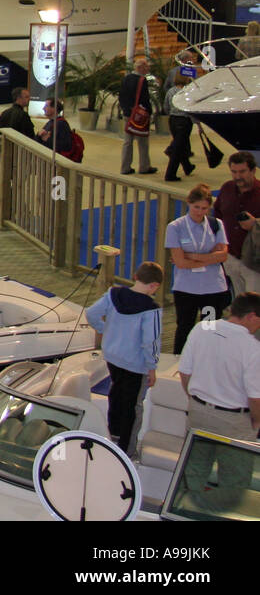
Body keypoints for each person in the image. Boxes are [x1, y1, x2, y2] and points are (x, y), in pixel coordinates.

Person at [178, 291, 260, 506]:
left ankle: (185, 513)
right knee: (235, 483)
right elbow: (255, 396)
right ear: (251, 316)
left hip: (198, 413)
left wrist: (196, 400)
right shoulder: (253, 348)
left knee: (192, 474)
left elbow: (185, 372)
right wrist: (257, 421)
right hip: (234, 421)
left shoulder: (202, 328)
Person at [86, 261, 163, 455]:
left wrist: (106, 330)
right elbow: (150, 342)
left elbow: (91, 313)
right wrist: (152, 367)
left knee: (116, 393)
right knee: (132, 406)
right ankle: (127, 451)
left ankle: (113, 435)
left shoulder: (113, 294)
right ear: (155, 286)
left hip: (113, 357)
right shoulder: (151, 308)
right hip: (135, 364)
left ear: (135, 277)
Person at [167, 183, 232, 354]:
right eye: (196, 207)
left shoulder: (216, 224)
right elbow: (180, 263)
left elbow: (223, 256)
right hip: (186, 288)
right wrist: (210, 258)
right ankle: (179, 361)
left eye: (204, 208)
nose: (199, 211)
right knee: (185, 327)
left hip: (213, 289)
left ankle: (209, 361)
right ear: (188, 203)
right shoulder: (176, 227)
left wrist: (192, 256)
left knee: (210, 329)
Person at [214, 151, 260, 297]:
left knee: (254, 306)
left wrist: (255, 223)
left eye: (242, 171)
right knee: (238, 303)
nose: (238, 176)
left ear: (253, 170)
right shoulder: (227, 188)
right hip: (231, 257)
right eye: (234, 172)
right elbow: (218, 216)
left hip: (254, 262)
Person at [119, 56, 155, 175]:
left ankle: (125, 167)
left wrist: (126, 109)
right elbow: (145, 99)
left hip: (128, 114)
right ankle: (144, 166)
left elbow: (121, 96)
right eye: (146, 66)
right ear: (140, 68)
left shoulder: (126, 78)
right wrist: (149, 112)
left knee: (127, 141)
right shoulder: (141, 80)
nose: (147, 69)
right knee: (143, 140)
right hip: (139, 115)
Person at [164, 72, 196, 182]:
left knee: (180, 144)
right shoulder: (188, 92)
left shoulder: (170, 91)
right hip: (184, 121)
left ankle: (187, 167)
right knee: (177, 148)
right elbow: (191, 107)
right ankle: (170, 174)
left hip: (173, 120)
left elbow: (166, 107)